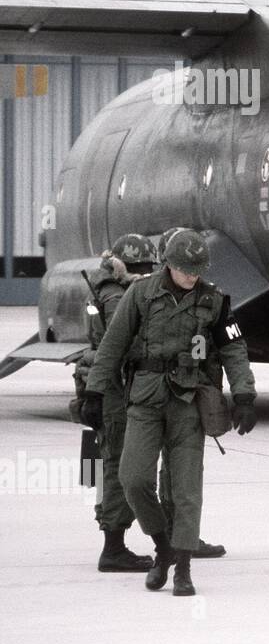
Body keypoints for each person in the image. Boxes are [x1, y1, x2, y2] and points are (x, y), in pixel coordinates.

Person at [82, 229, 257, 596]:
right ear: (169, 265)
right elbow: (113, 344)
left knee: (186, 490)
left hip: (190, 403)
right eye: (185, 269)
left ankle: (183, 568)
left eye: (197, 270)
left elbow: (234, 349)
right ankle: (163, 546)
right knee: (133, 479)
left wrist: (244, 394)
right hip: (145, 400)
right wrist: (95, 391)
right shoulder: (140, 293)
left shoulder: (214, 301)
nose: (192, 276)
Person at [74, 234, 157, 572]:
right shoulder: (116, 296)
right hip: (116, 388)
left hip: (102, 385)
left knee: (111, 460)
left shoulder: (103, 288)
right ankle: (113, 546)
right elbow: (123, 342)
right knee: (120, 463)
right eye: (143, 269)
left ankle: (114, 535)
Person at [153, 226, 226, 559]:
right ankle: (121, 540)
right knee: (122, 472)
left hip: (168, 395)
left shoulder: (209, 300)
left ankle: (172, 538)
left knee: (174, 472)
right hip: (154, 396)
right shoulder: (144, 297)